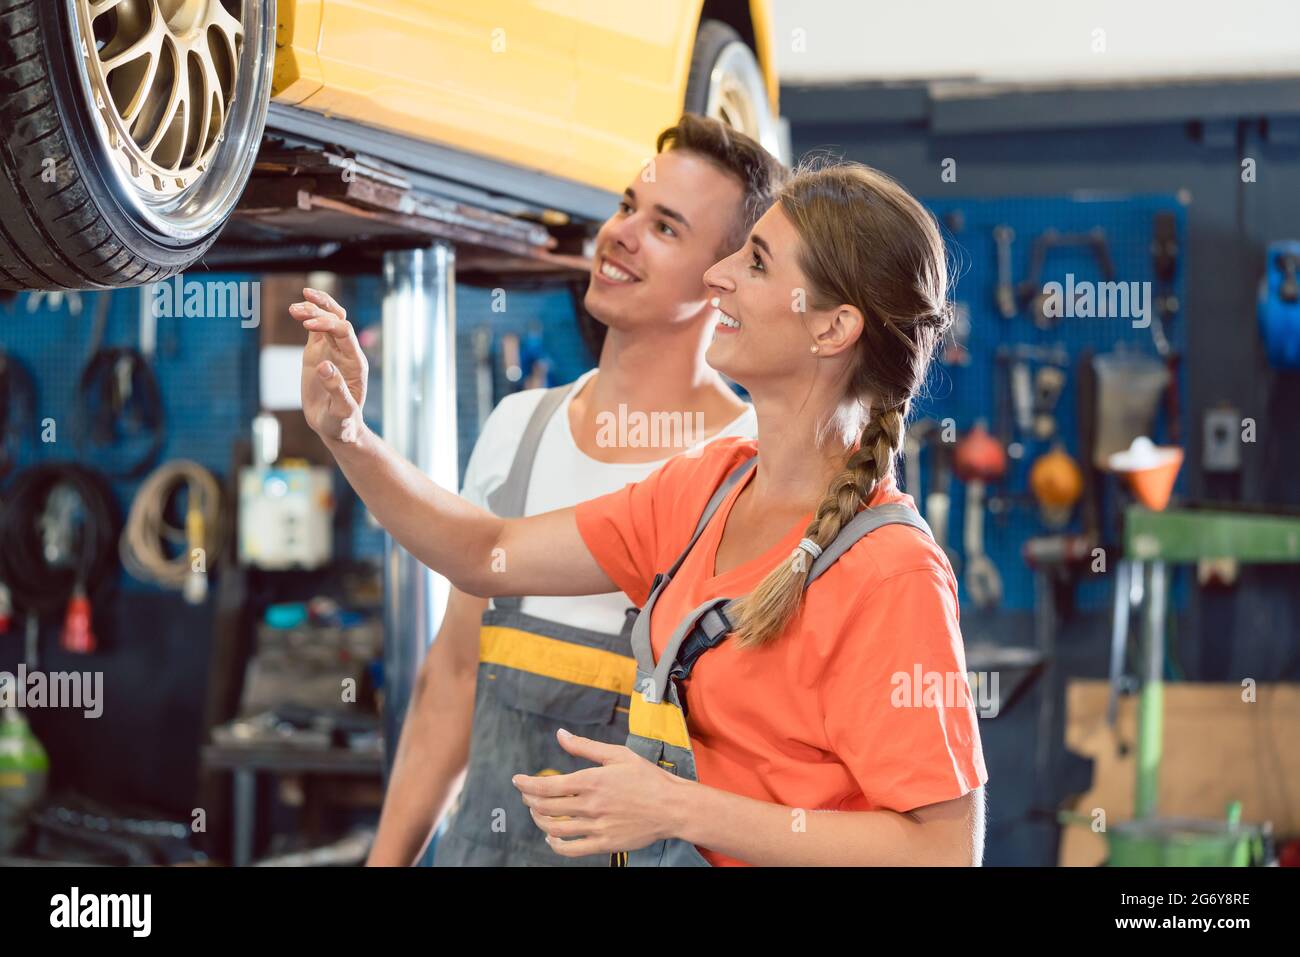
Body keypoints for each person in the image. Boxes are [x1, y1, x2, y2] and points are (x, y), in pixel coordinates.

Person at [292, 158, 989, 866]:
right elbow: (485, 551)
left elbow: (943, 850)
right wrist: (348, 434)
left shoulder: (891, 571)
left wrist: (681, 808)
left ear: (833, 327)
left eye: (755, 263)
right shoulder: (707, 489)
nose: (718, 276)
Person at [332, 115, 784, 866]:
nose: (622, 234)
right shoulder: (520, 430)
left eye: (665, 227)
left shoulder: (745, 468)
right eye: (626, 206)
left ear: (724, 280)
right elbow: (453, 674)